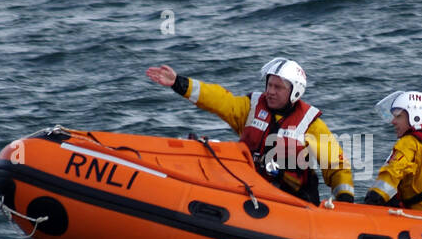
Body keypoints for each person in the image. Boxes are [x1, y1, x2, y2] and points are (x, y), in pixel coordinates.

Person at [145, 58, 355, 204]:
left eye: (278, 87)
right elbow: (220, 100)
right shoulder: (251, 107)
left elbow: (336, 164)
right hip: (252, 191)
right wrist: (180, 84)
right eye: (269, 85)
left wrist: (345, 199)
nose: (270, 92)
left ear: (294, 91)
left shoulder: (311, 125)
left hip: (296, 200)